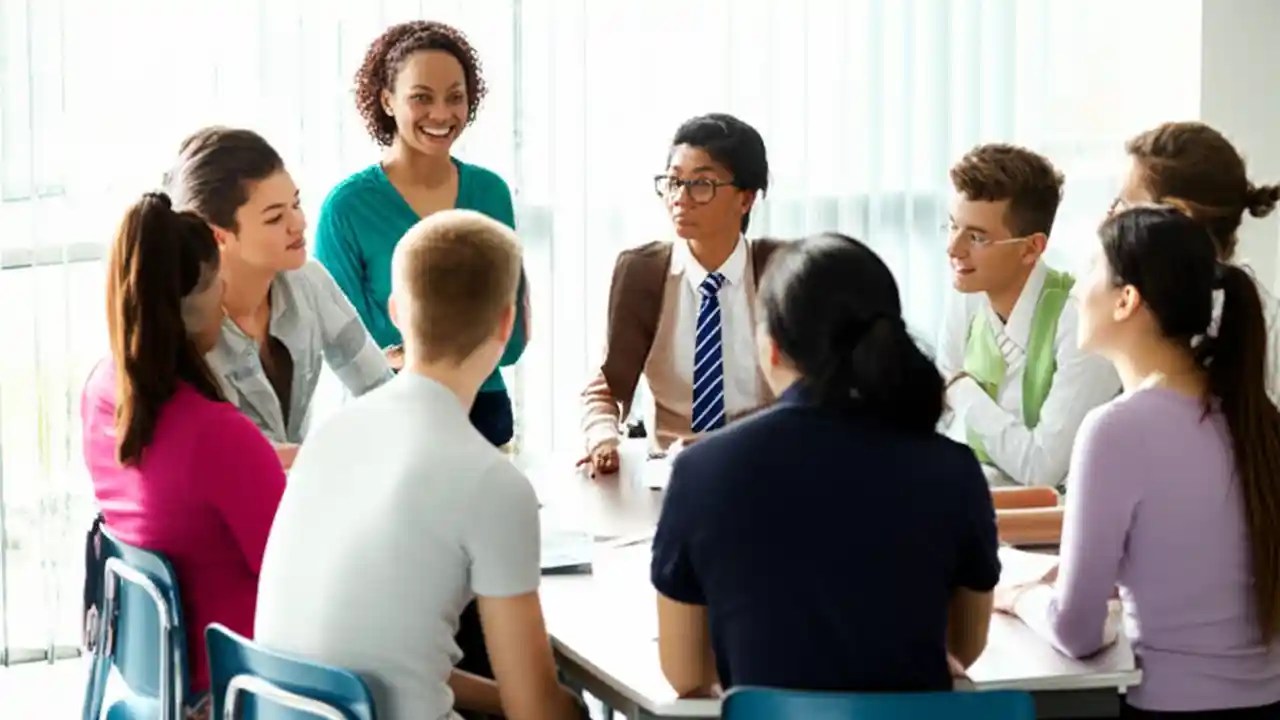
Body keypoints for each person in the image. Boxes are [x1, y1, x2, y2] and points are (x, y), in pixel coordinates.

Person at [255, 210, 586, 720]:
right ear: (509, 321)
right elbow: (535, 710)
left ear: (395, 310)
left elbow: (387, 660)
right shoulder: (491, 482)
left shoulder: (329, 438)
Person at [651, 233, 1000, 696]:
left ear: (771, 347)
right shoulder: (953, 470)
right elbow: (962, 646)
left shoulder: (704, 469)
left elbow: (687, 673)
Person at [996, 205, 1280, 718]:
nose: (1078, 291)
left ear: (1127, 299)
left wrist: (1018, 597)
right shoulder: (1260, 420)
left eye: (1090, 272)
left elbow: (1075, 632)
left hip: (1172, 708)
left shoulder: (1116, 431)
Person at [81, 193, 286, 717]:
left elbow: (192, 486)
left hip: (156, 675)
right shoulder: (217, 435)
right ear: (191, 303)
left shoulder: (103, 394)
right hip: (239, 680)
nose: (224, 292)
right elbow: (297, 573)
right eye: (216, 280)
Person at [314, 20, 528, 449]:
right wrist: (461, 347)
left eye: (455, 97)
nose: (441, 114)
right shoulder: (347, 207)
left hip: (484, 414)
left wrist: (414, 354)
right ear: (387, 101)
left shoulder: (490, 192)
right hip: (386, 418)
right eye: (421, 98)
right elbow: (342, 339)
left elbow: (513, 334)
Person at [164, 126, 392, 461]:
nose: (298, 223)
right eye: (274, 218)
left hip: (297, 494)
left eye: (296, 204)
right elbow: (228, 458)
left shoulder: (307, 281)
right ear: (218, 236)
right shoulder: (184, 323)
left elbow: (381, 390)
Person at [580, 113, 782, 476]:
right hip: (671, 470)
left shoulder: (778, 271)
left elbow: (814, 395)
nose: (681, 198)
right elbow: (605, 389)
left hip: (764, 463)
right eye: (673, 182)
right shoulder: (642, 272)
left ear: (746, 199)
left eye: (701, 184)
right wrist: (602, 437)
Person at [936, 143, 1120, 487]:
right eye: (952, 226)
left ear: (1031, 248)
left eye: (976, 237)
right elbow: (941, 421)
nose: (953, 249)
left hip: (1057, 525)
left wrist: (960, 387)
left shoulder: (1079, 321)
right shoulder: (968, 294)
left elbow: (1042, 470)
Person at [1114, 121, 1280, 402]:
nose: (1112, 223)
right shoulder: (1145, 309)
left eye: (1126, 209)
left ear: (1179, 216)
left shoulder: (1258, 330)